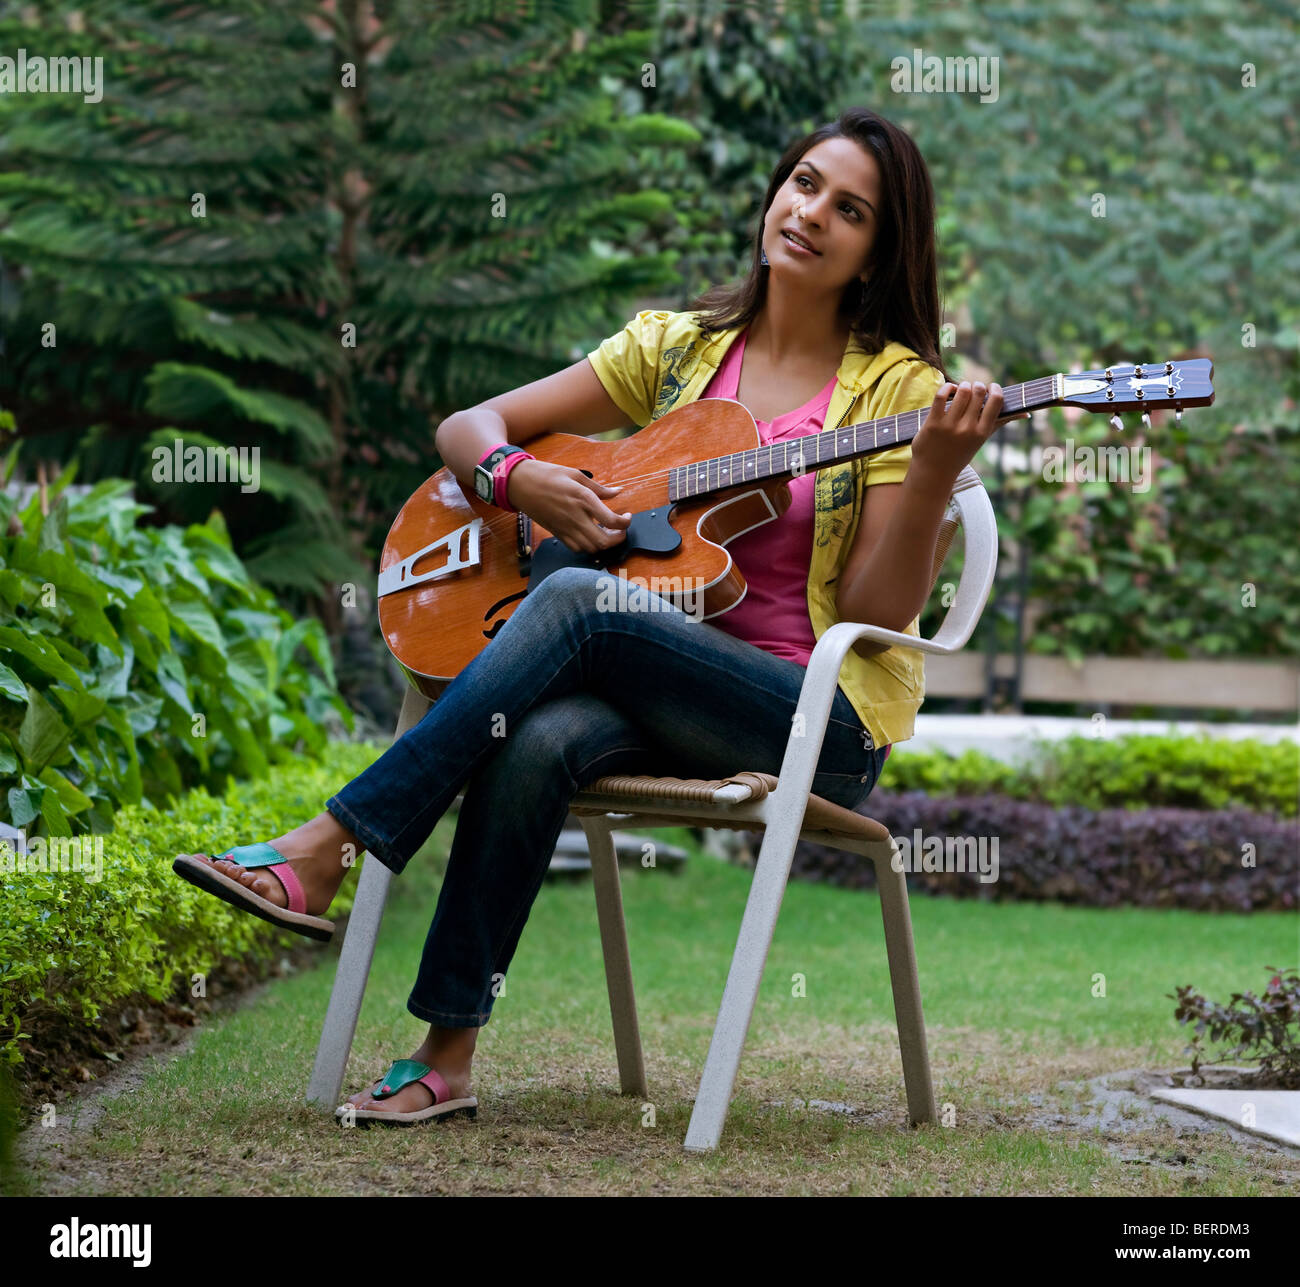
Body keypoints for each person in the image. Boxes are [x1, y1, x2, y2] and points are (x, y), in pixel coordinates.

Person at [171, 107, 1028, 1127]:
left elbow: (876, 614)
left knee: (578, 596)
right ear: (773, 190)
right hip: (651, 683)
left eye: (850, 210)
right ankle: (446, 1054)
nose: (811, 214)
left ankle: (329, 844)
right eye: (803, 183)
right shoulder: (676, 349)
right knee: (534, 736)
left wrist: (933, 471)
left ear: (877, 251)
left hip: (808, 718)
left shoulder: (897, 390)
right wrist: (517, 478)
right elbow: (467, 427)